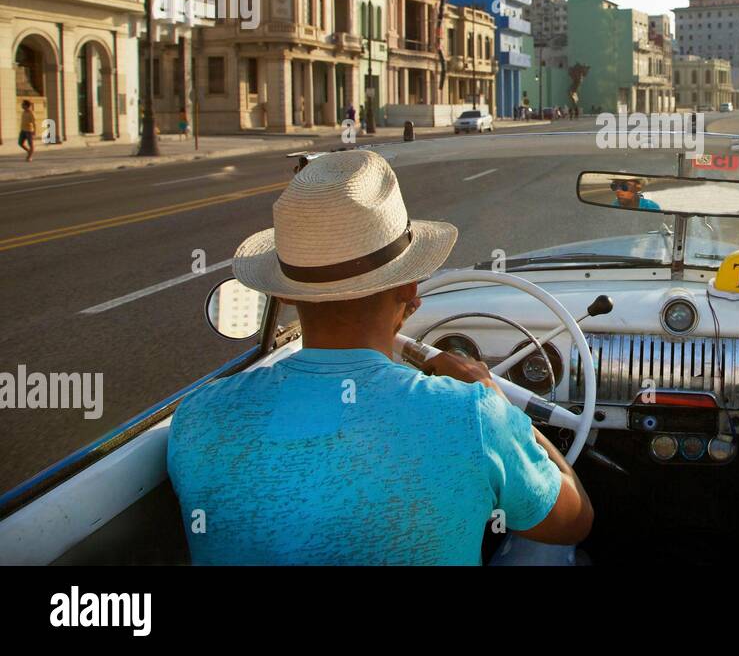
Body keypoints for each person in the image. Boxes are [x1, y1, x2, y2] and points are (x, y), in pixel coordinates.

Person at [167, 150, 593, 565]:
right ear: (411, 291)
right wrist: (493, 398)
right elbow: (574, 521)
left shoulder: (198, 417)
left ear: (282, 294)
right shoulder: (474, 415)